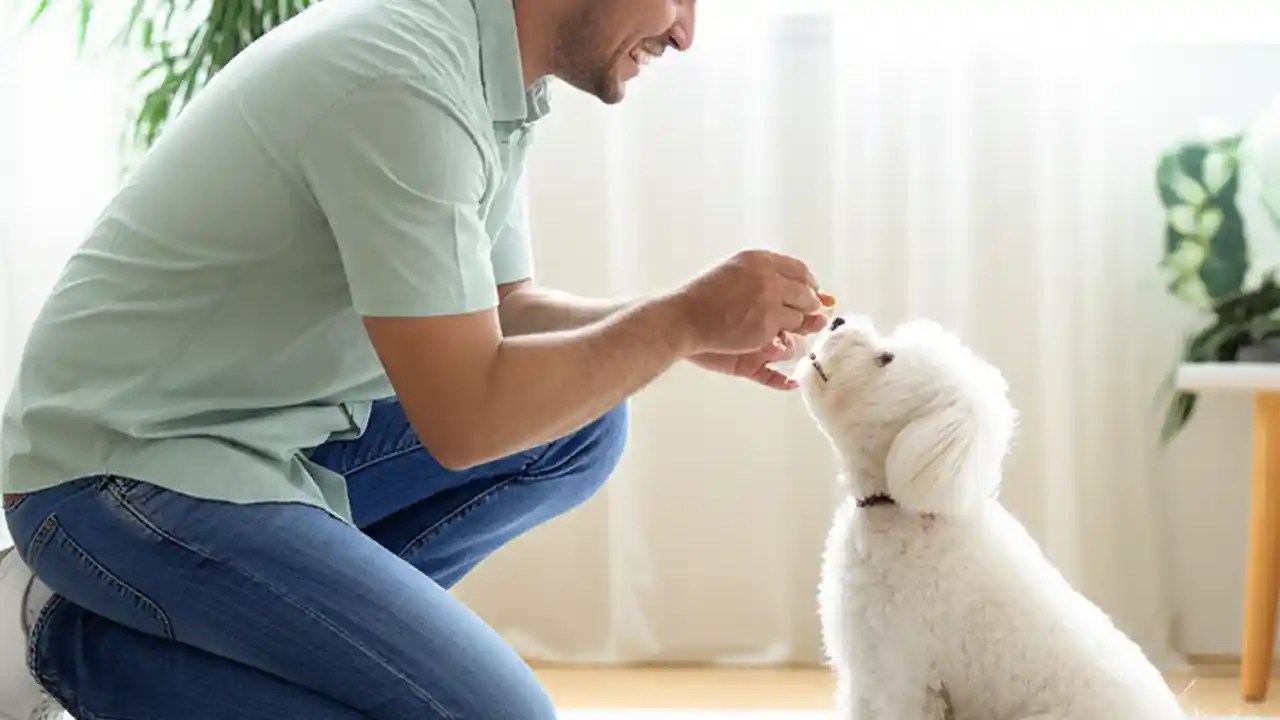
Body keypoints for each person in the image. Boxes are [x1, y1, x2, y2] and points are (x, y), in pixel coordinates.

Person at [0, 0, 830, 717]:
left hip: (259, 441)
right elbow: (467, 419)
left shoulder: (491, 70)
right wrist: (679, 323)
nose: (685, 32)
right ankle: (63, 638)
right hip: (118, 470)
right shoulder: (404, 83)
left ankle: (281, 639)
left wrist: (691, 333)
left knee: (579, 426)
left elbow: (503, 315)